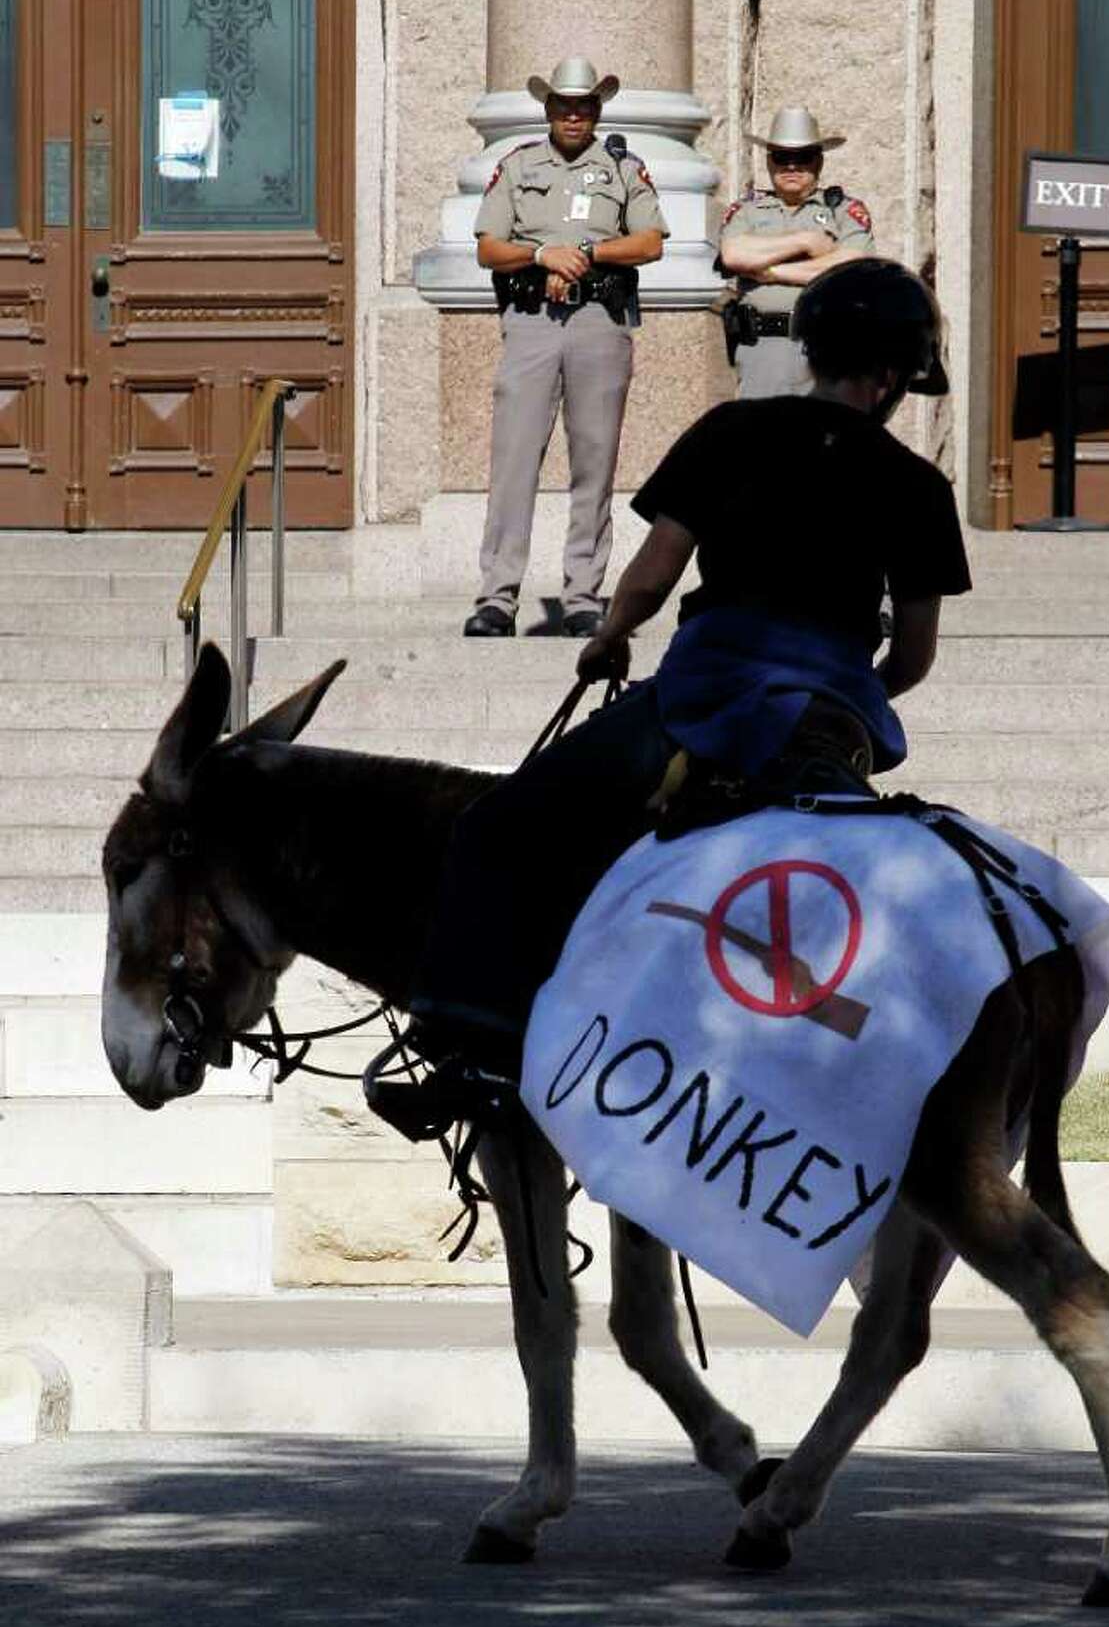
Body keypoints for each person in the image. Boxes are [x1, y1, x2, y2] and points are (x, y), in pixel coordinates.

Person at [372, 259, 970, 1139]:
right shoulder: (920, 486)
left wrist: (609, 637)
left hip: (701, 698)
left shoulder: (731, 430)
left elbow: (653, 573)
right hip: (828, 731)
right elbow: (913, 658)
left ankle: (466, 1050)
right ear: (891, 377)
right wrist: (845, 696)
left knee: (495, 825)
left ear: (812, 351)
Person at [464, 56, 669, 640]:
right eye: (564, 105)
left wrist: (582, 251)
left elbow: (650, 241)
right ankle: (496, 598)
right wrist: (539, 255)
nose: (574, 115)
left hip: (598, 321)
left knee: (594, 461)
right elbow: (487, 248)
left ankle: (583, 594)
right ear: (548, 109)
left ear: (597, 109)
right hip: (531, 320)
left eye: (584, 105)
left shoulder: (623, 168)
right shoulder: (518, 163)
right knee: (514, 459)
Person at [719, 106, 875, 399]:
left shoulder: (842, 210)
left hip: (826, 347)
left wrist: (772, 271)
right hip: (763, 349)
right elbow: (734, 256)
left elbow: (852, 267)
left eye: (802, 158)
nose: (791, 167)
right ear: (769, 162)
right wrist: (806, 242)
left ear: (819, 161)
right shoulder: (746, 211)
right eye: (782, 157)